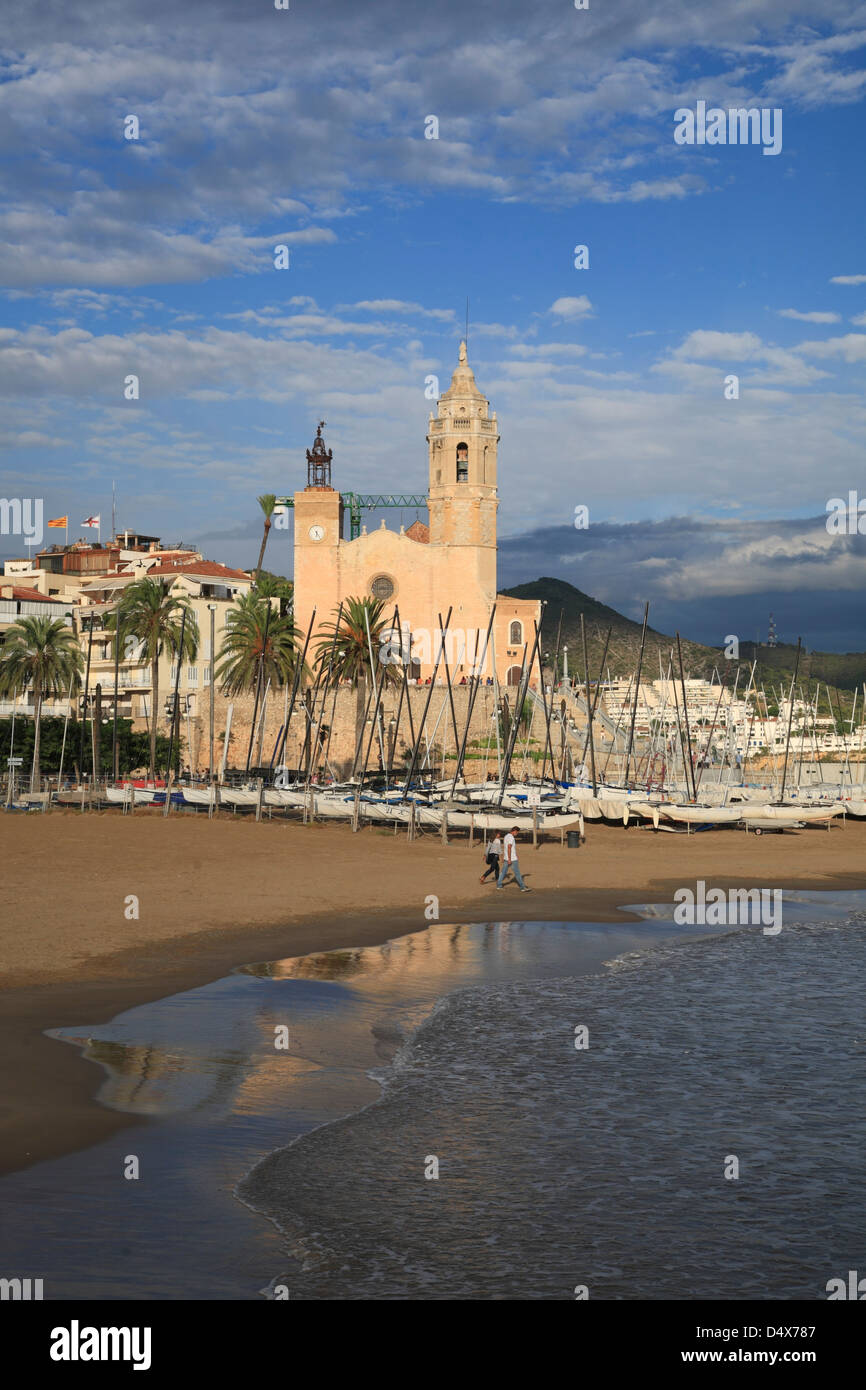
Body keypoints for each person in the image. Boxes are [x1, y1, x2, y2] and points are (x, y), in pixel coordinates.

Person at [497, 826, 530, 891]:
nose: (517, 834)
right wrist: (509, 858)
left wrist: (505, 856)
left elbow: (506, 847)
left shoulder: (506, 836)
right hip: (512, 859)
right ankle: (522, 887)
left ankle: (499, 885)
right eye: (517, 832)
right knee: (517, 873)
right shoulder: (511, 837)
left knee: (503, 872)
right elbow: (509, 847)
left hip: (507, 857)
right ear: (514, 831)